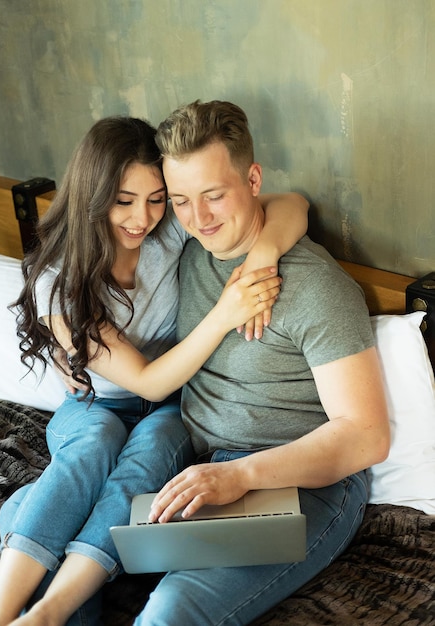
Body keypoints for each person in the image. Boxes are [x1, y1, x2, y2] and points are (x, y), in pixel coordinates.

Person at [0, 115, 309, 626]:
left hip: (166, 409)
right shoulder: (61, 279)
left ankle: (49, 608)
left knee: (146, 462)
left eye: (157, 198)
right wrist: (225, 313)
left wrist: (263, 257)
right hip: (98, 403)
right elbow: (148, 377)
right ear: (94, 195)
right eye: (124, 200)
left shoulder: (169, 238)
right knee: (95, 444)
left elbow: (294, 205)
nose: (143, 217)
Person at [130, 100, 391, 625]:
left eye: (214, 196)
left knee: (174, 611)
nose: (198, 219)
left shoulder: (317, 288)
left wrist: (241, 475)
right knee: (79, 556)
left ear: (253, 180)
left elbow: (366, 436)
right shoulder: (189, 246)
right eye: (180, 200)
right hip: (200, 456)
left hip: (302, 480)